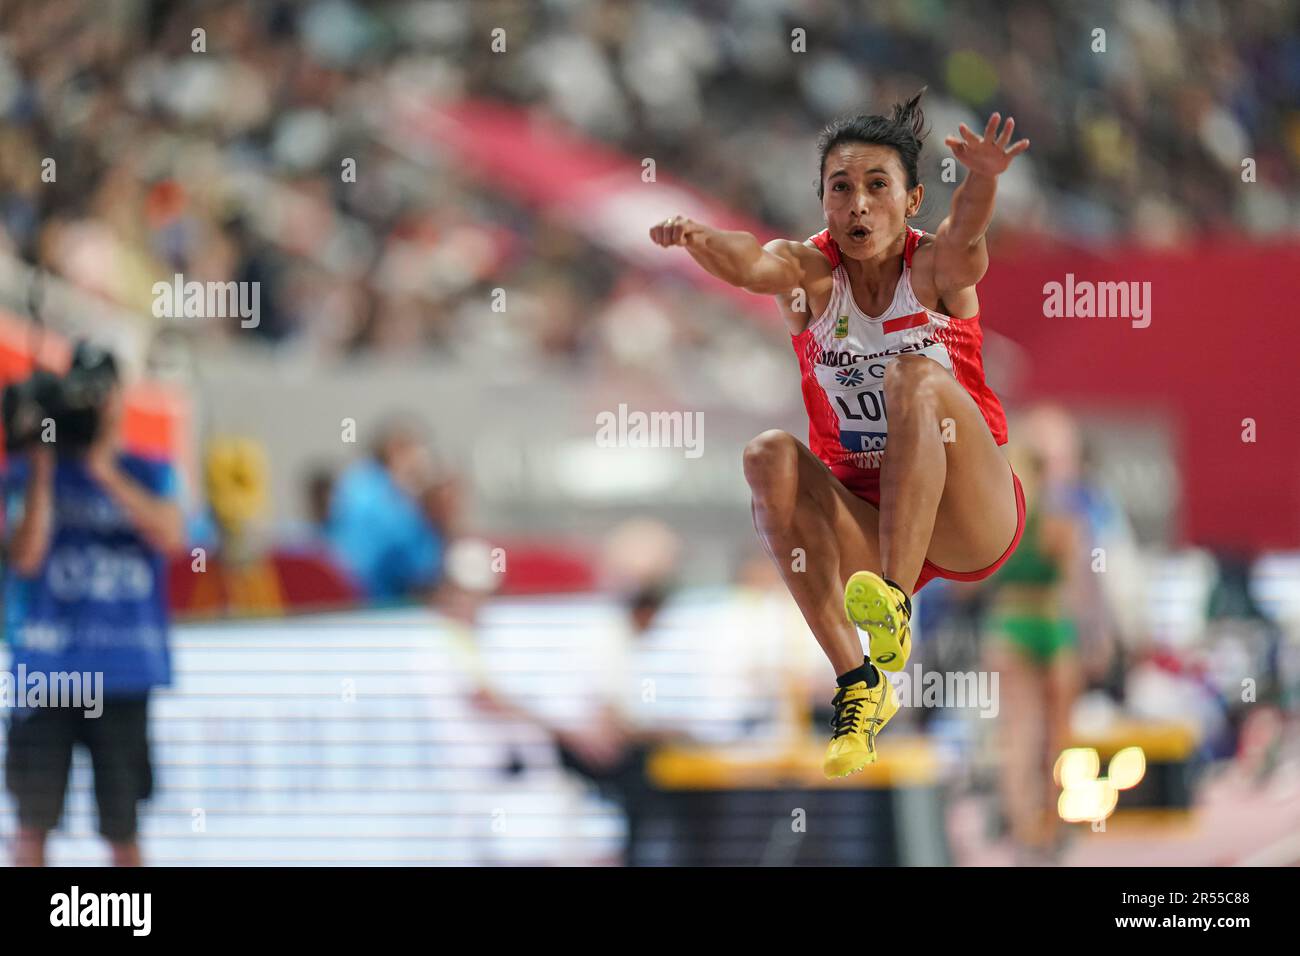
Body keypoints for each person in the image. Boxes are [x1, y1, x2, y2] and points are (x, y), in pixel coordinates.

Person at [649, 91, 1029, 777]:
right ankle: (859, 682)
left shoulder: (935, 268)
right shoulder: (808, 277)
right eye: (841, 188)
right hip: (870, 521)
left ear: (912, 201)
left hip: (971, 517)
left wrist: (985, 178)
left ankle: (894, 599)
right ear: (822, 201)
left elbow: (969, 234)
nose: (858, 205)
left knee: (915, 378)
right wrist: (695, 237)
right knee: (767, 455)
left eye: (877, 187)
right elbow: (749, 262)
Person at [3, 343, 184, 866]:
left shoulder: (149, 471)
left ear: (119, 401)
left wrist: (103, 468)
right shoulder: (30, 473)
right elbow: (27, 557)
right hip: (47, 665)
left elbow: (171, 536)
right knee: (32, 822)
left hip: (122, 668)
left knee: (122, 825)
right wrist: (41, 465)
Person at [981, 442, 1082, 862]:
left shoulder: (1002, 519)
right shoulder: (1059, 519)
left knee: (1020, 734)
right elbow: (1074, 579)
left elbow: (976, 578)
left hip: (1013, 621)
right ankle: (1051, 827)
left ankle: (1026, 829)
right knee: (1055, 735)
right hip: (1050, 621)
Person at [325, 418, 443, 602]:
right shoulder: (388, 497)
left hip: (343, 599)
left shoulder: (354, 481)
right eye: (420, 449)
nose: (425, 459)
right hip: (377, 603)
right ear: (396, 449)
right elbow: (419, 569)